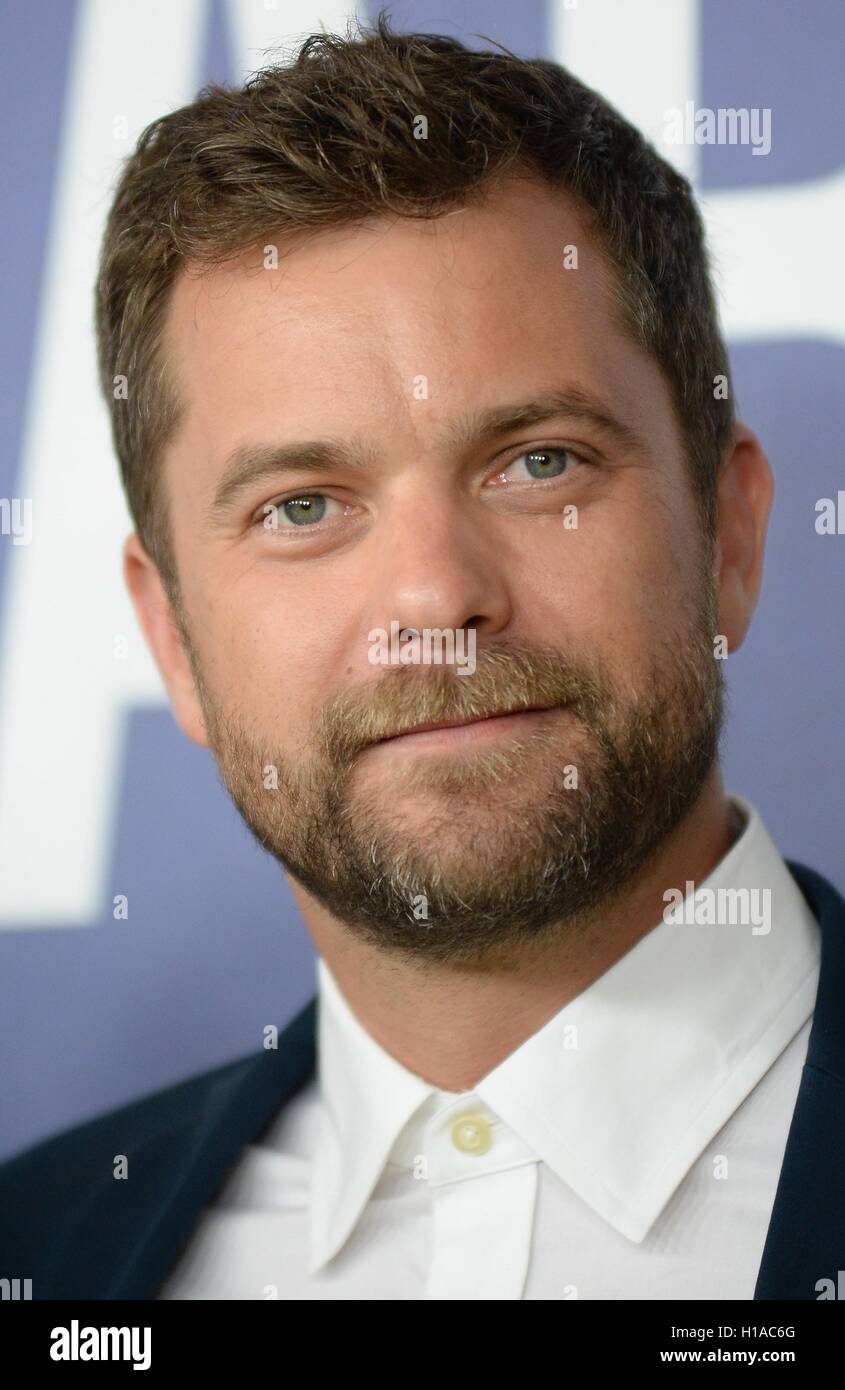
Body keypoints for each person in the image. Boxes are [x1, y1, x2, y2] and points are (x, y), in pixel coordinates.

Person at [1, 10, 843, 1301]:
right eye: (300, 505)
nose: (433, 595)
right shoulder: (41, 1248)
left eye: (538, 462)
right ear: (169, 632)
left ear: (725, 532)